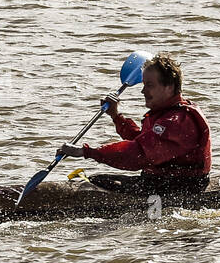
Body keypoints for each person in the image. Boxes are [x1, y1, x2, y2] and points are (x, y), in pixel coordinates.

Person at [56, 53, 211, 191]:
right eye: (143, 85)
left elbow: (137, 155)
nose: (143, 91)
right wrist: (116, 116)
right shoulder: (167, 113)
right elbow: (142, 141)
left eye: (149, 85)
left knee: (95, 183)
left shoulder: (176, 121)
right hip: (160, 181)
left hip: (181, 187)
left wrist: (86, 152)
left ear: (169, 87)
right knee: (96, 180)